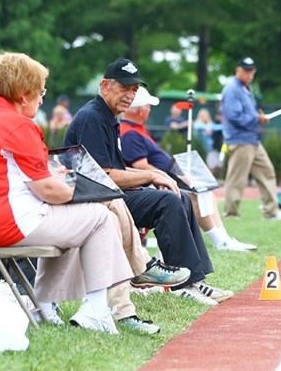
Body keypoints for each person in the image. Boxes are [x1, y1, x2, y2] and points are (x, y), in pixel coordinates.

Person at [0, 52, 135, 333]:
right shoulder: (17, 124)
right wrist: (81, 190)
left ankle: (45, 307)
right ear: (23, 94)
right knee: (99, 217)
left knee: (75, 220)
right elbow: (48, 190)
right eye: (40, 91)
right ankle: (95, 310)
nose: (42, 99)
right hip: (4, 225)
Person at [64, 57, 231, 306]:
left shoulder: (108, 116)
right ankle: (181, 285)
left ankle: (195, 280)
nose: (130, 95)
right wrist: (151, 175)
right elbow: (104, 176)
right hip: (95, 201)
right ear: (105, 86)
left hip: (109, 195)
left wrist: (158, 176)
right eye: (125, 88)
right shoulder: (92, 117)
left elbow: (116, 170)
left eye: (134, 90)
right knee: (167, 201)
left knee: (181, 197)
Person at [121, 88, 257, 252]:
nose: (149, 110)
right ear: (141, 109)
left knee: (206, 192)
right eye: (148, 106)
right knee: (195, 195)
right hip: (154, 183)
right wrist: (173, 178)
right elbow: (141, 166)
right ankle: (219, 241)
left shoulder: (135, 129)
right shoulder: (130, 133)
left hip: (164, 178)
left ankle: (224, 237)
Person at [220, 57, 281, 221]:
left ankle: (271, 211)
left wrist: (258, 117)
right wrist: (257, 119)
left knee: (267, 172)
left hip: (252, 139)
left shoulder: (246, 88)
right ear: (238, 70)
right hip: (240, 140)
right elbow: (234, 116)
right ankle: (231, 214)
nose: (249, 74)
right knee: (237, 179)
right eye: (246, 71)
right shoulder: (232, 89)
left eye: (251, 71)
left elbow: (246, 114)